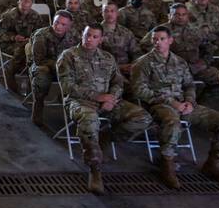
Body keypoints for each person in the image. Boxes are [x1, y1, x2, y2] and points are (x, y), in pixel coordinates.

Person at [130, 26, 219, 188]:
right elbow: (139, 90)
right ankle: (167, 165)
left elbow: (189, 85)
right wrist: (172, 102)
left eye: (162, 39)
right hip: (160, 105)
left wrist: (190, 102)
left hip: (184, 104)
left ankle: (213, 164)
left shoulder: (179, 62)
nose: (157, 43)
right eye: (155, 39)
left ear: (170, 41)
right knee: (172, 122)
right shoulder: (143, 63)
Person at [56, 24, 151, 194]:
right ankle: (95, 169)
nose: (89, 39)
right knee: (90, 120)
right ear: (82, 35)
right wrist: (98, 97)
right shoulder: (68, 56)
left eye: (94, 36)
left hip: (108, 101)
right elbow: (67, 86)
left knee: (142, 118)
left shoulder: (108, 58)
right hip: (80, 102)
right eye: (87, 35)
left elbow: (118, 82)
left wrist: (112, 98)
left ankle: (105, 139)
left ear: (100, 39)